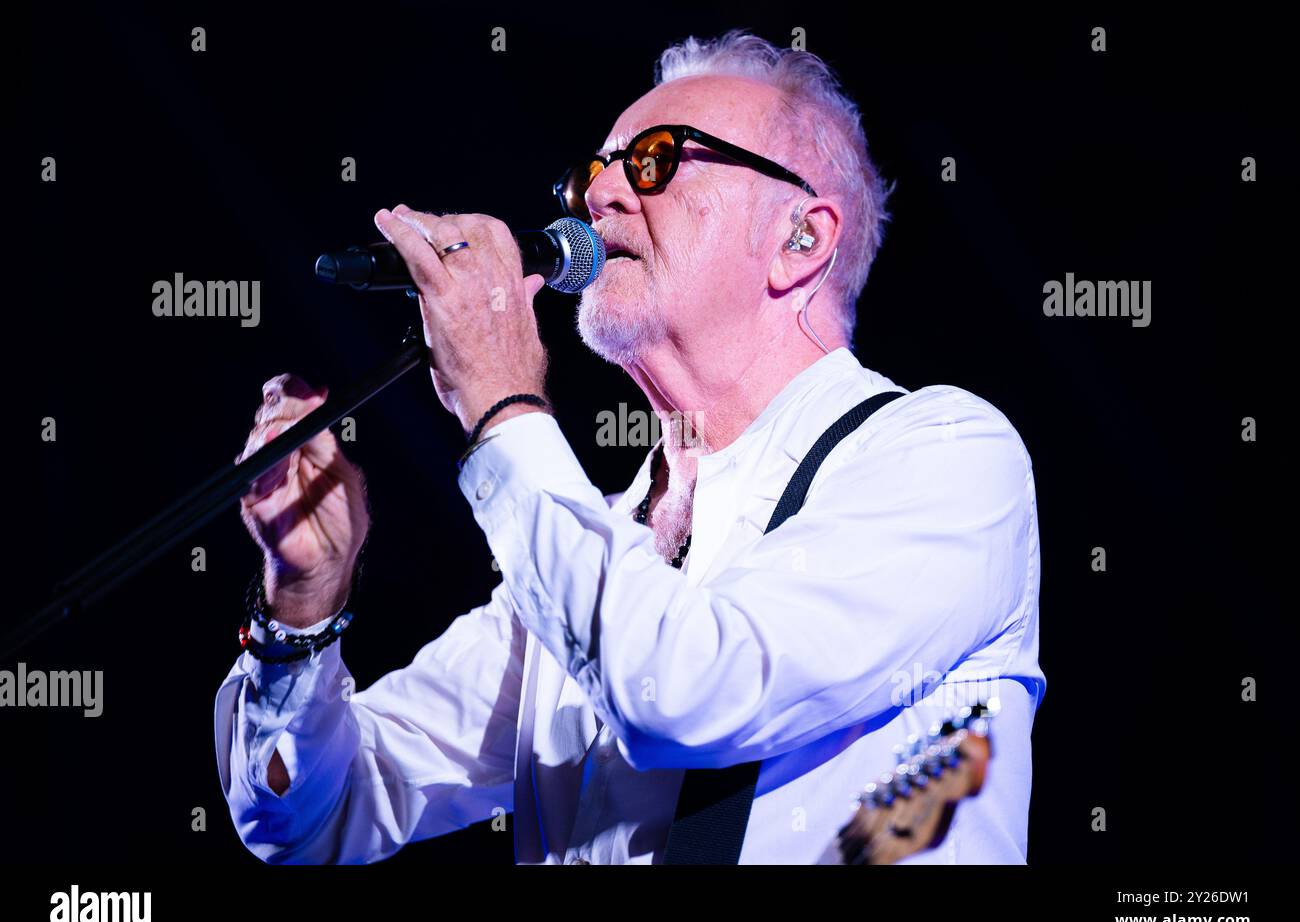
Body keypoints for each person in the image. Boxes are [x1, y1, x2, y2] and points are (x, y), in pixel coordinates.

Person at [215, 30, 1044, 864]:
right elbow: (316, 814)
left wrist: (503, 402)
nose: (600, 193)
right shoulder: (592, 549)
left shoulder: (945, 456)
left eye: (655, 160)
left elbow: (690, 690)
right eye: (592, 171)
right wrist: (303, 608)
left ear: (802, 237)